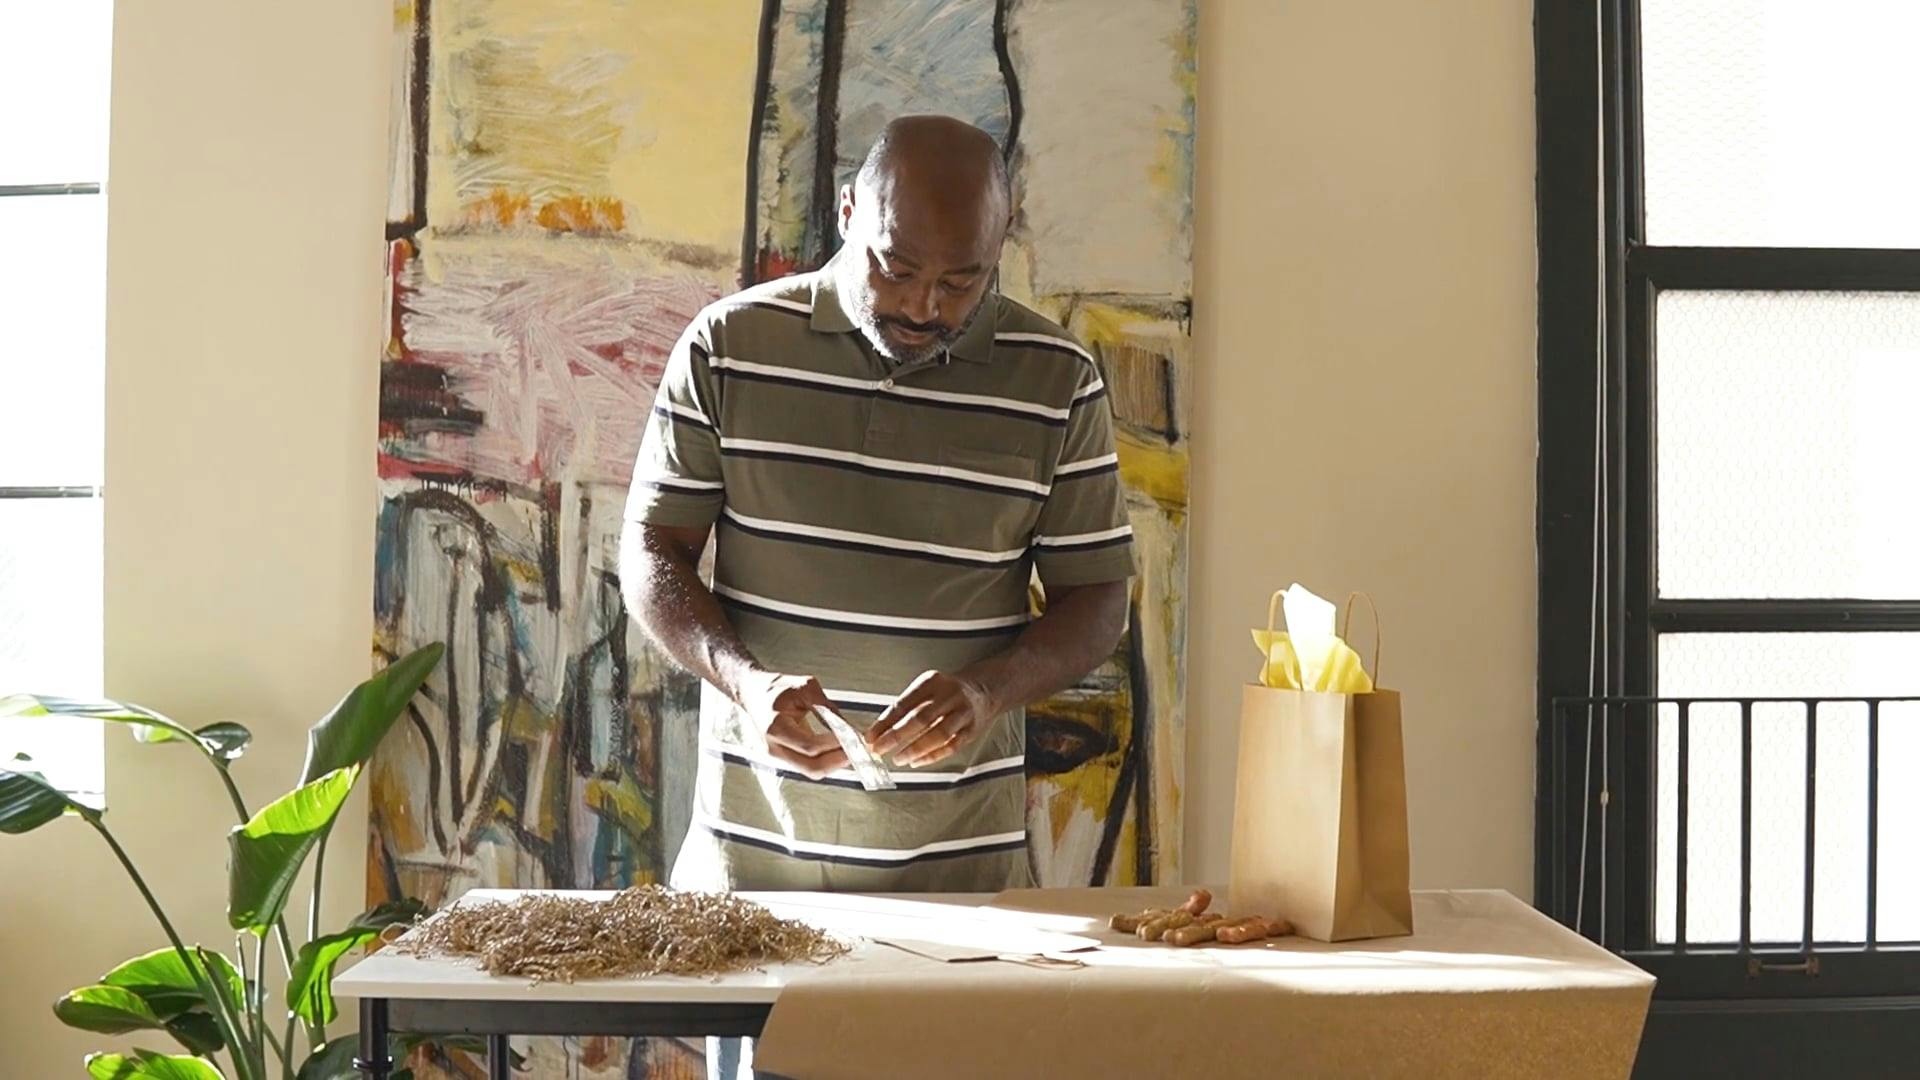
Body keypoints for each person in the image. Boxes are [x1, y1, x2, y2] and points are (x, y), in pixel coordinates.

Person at [619, 113, 1136, 1077]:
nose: (925, 306)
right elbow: (652, 551)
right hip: (757, 890)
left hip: (968, 902)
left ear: (1002, 244)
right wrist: (746, 682)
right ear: (849, 212)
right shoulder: (729, 346)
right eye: (897, 269)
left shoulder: (1058, 380)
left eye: (962, 281)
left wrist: (988, 689)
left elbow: (1098, 597)